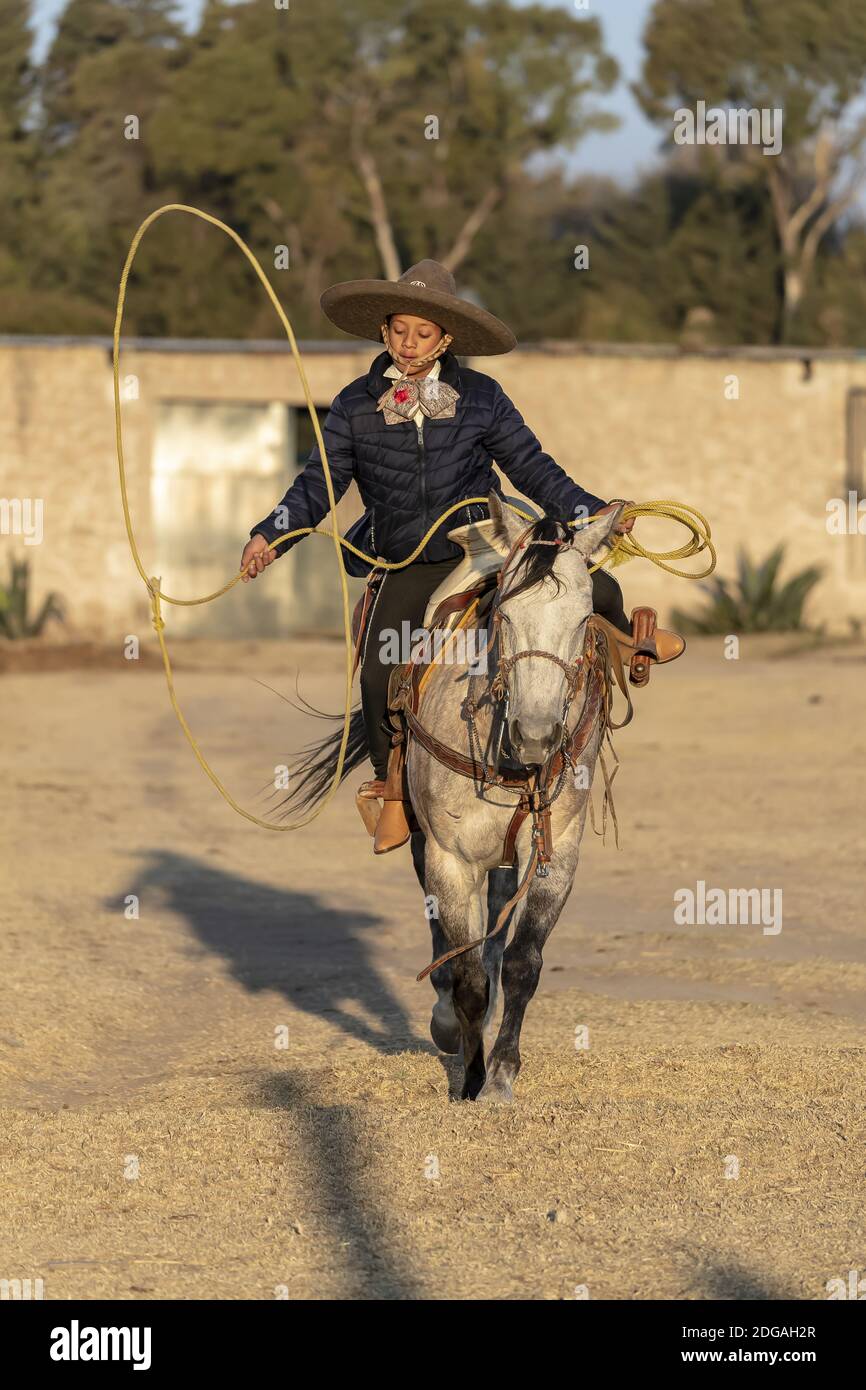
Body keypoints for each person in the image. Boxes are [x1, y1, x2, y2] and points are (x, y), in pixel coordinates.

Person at [241, 259, 642, 851]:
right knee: (381, 669)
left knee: (591, 589)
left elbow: (531, 468)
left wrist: (592, 512)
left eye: (424, 334)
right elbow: (317, 485)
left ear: (446, 338)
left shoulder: (482, 397)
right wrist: (270, 535)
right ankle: (393, 791)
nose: (410, 344)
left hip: (485, 548)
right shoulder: (354, 405)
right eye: (400, 330)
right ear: (384, 330)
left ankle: (628, 648)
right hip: (406, 562)